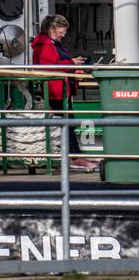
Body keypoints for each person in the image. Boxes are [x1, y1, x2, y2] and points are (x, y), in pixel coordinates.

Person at [31, 15, 96, 172]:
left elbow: (58, 64)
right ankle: (73, 158)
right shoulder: (45, 45)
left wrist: (73, 66)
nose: (63, 35)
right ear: (51, 29)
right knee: (67, 125)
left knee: (69, 124)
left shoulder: (53, 44)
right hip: (55, 92)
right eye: (61, 31)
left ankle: (74, 156)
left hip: (61, 91)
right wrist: (71, 64)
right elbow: (49, 67)